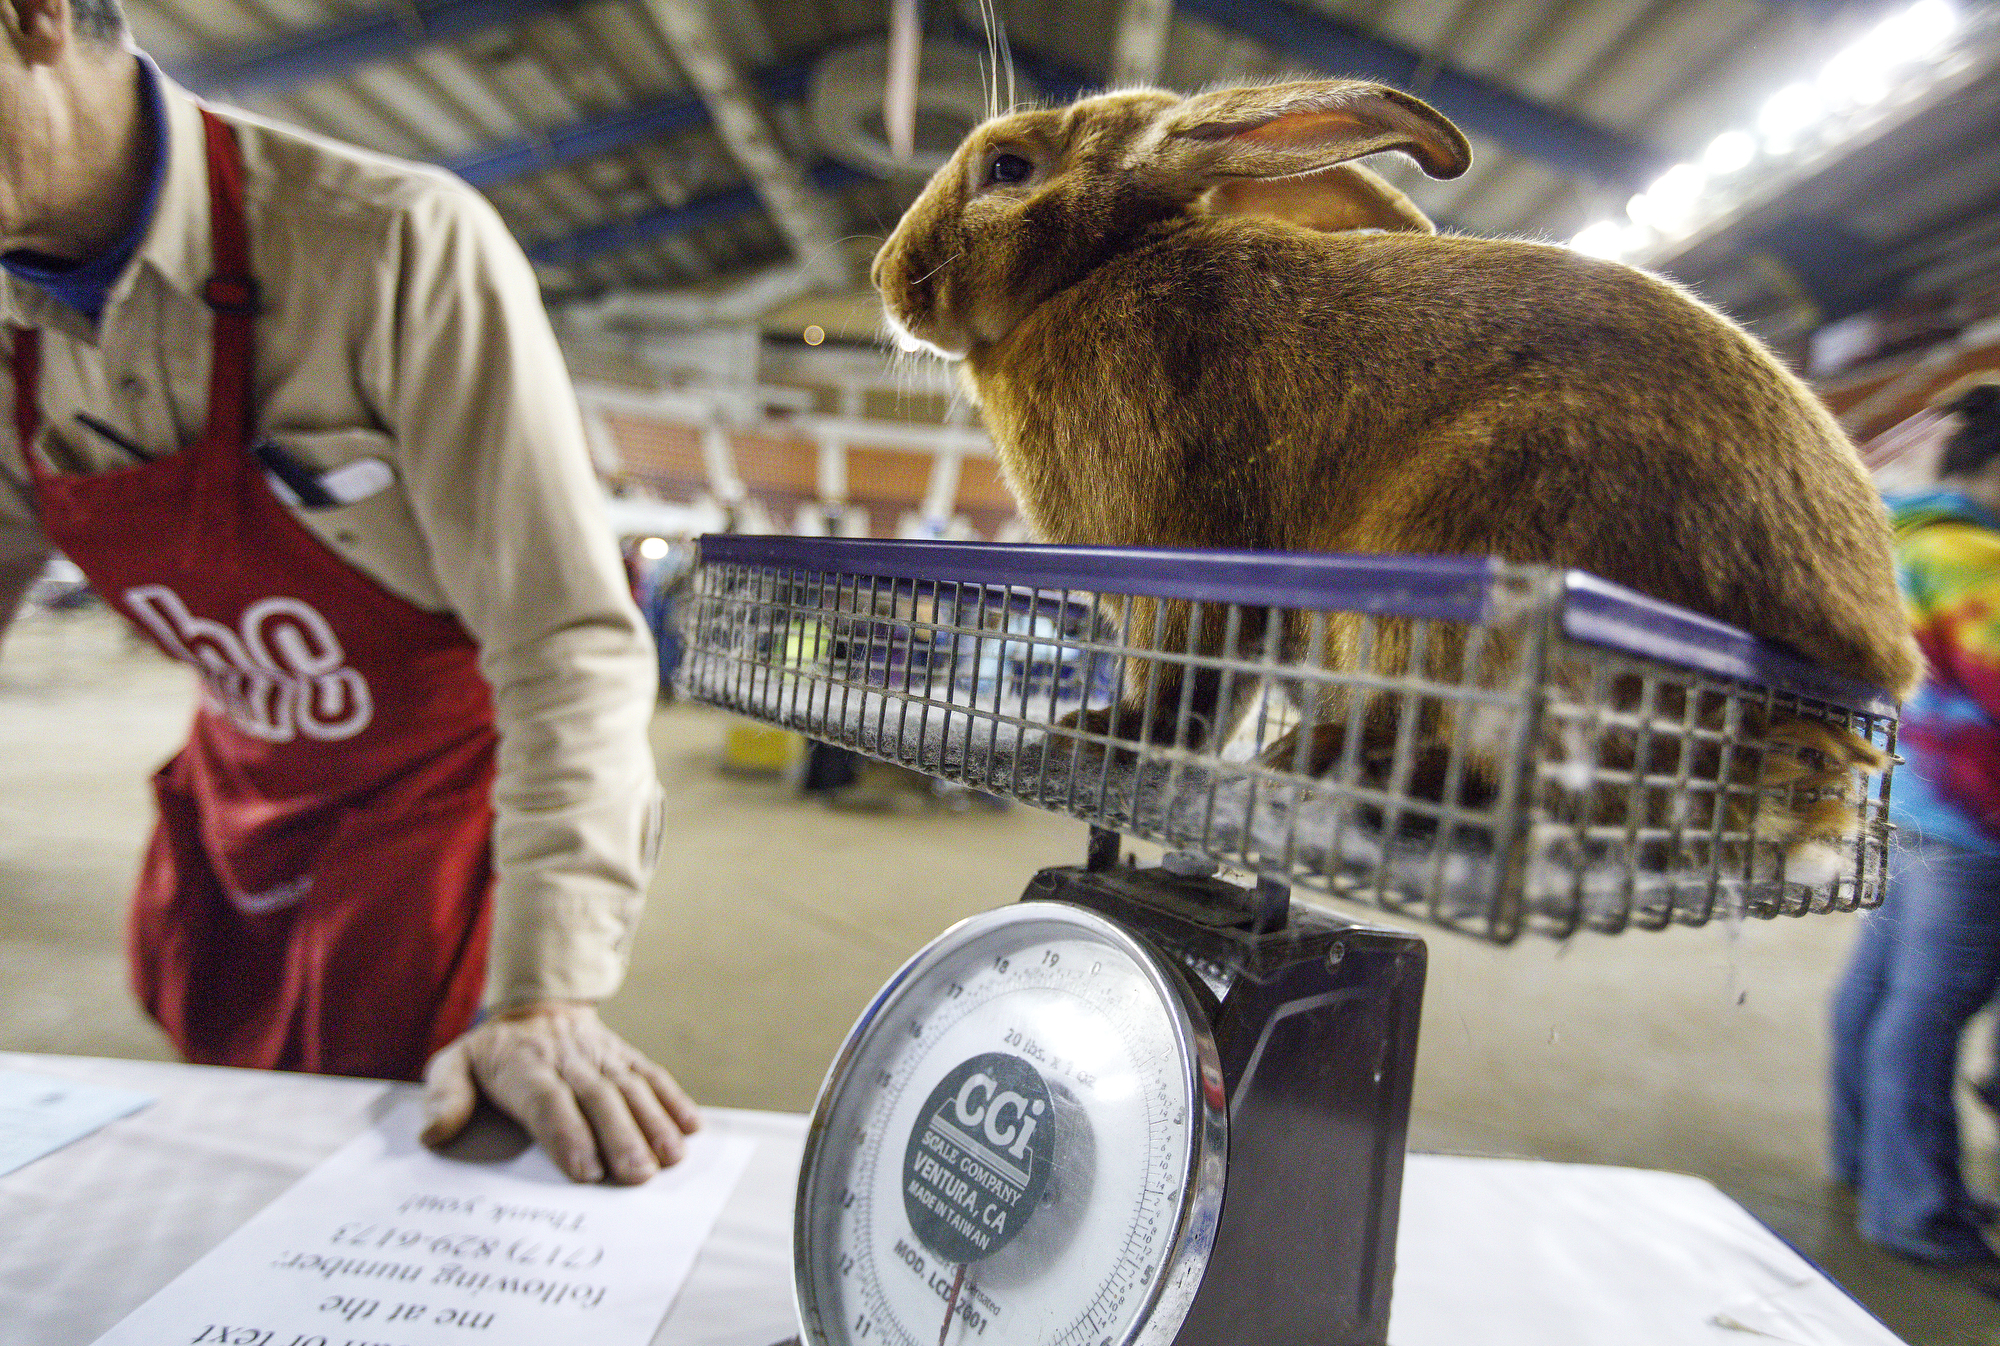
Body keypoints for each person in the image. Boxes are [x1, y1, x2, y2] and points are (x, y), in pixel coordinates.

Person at [0, 0, 697, 1184]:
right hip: (243, 810)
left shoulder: (389, 248)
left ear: (35, 17)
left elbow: (566, 643)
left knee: (416, 1164)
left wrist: (543, 995)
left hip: (433, 826)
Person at [1831, 375, 2000, 1286]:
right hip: (1973, 821)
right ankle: (1919, 1214)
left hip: (1909, 802)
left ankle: (1868, 1165)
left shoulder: (1905, 540)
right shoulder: (1973, 559)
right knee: (1931, 1011)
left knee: (1885, 995)